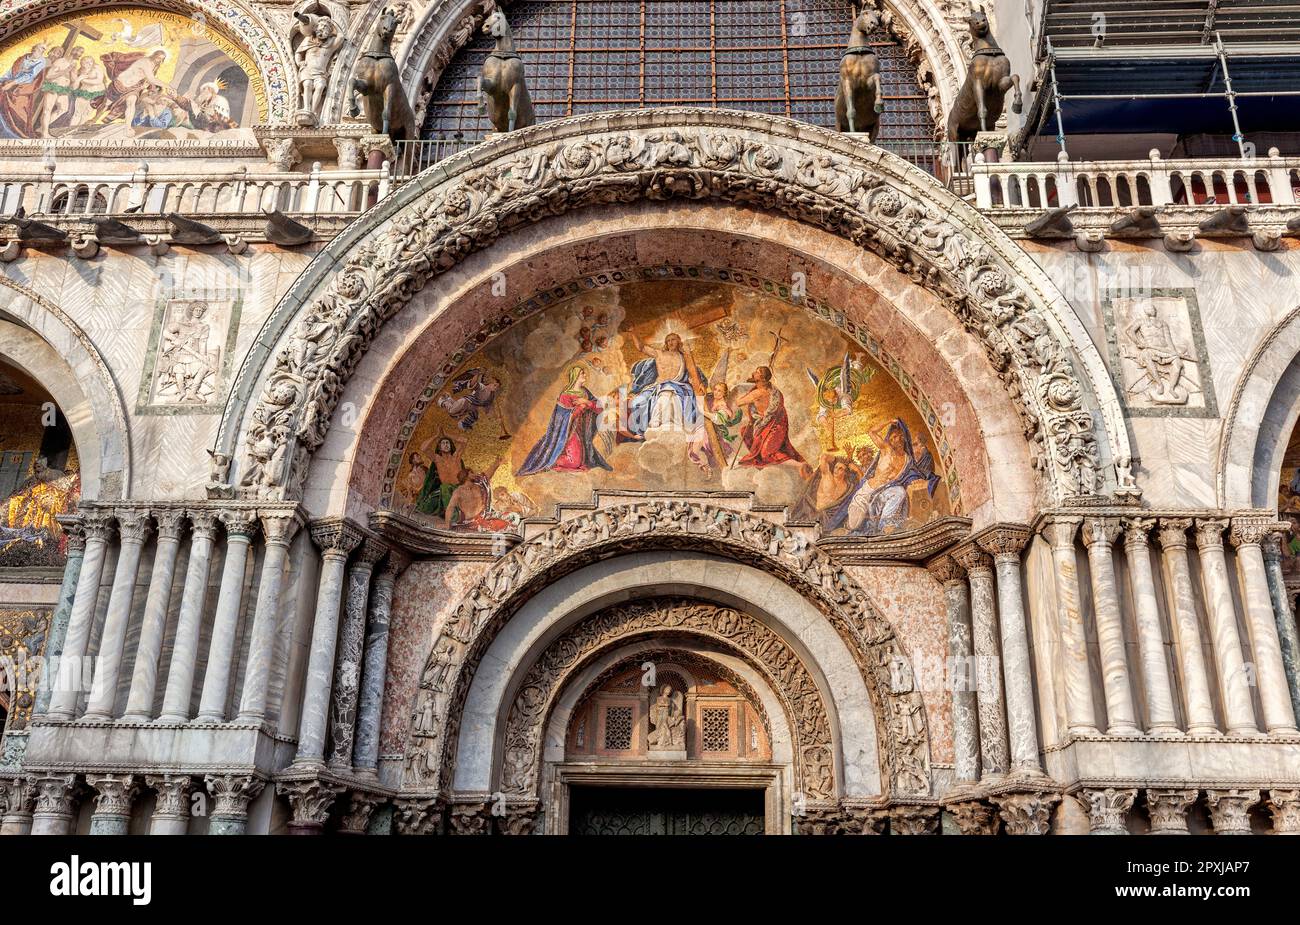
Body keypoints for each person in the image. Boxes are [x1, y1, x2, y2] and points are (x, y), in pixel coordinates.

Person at [828, 418, 939, 536]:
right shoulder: (886, 450)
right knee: (854, 523)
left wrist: (917, 479)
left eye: (900, 436)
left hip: (887, 492)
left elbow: (911, 475)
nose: (898, 439)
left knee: (899, 492)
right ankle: (847, 526)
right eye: (894, 437)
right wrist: (888, 421)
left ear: (905, 438)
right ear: (890, 440)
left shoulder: (908, 459)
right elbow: (871, 432)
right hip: (870, 490)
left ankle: (886, 526)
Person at [517, 365, 612, 475]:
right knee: (574, 463)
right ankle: (550, 461)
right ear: (575, 376)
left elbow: (599, 408)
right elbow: (563, 418)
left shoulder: (585, 392)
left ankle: (555, 457)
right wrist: (581, 407)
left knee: (583, 460)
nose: (585, 375)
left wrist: (586, 402)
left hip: (582, 432)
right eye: (582, 373)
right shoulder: (565, 395)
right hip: (568, 433)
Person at [622, 332, 701, 439]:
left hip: (677, 386)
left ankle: (657, 427)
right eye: (668, 340)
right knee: (637, 402)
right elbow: (641, 347)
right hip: (658, 387)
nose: (670, 342)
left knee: (666, 398)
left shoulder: (684, 356)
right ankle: (641, 432)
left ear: (678, 341)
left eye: (673, 339)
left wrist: (699, 385)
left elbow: (693, 372)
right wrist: (633, 333)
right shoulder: (659, 353)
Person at [734, 366, 804, 468]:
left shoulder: (757, 393)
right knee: (745, 431)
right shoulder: (774, 391)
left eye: (757, 372)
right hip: (775, 426)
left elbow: (738, 402)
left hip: (772, 428)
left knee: (766, 454)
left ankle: (799, 465)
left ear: (762, 378)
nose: (753, 372)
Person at [792, 454, 862, 528]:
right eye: (836, 467)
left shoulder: (848, 487)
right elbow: (823, 457)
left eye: (840, 469)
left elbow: (863, 486)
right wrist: (836, 459)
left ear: (845, 472)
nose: (836, 470)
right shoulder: (826, 476)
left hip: (830, 520)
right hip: (814, 515)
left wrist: (857, 470)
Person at [688, 381, 742, 473]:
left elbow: (719, 419)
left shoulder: (722, 405)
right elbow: (701, 398)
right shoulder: (711, 397)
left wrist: (703, 412)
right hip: (703, 428)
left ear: (724, 393)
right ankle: (704, 467)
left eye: (719, 391)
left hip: (712, 432)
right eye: (715, 389)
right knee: (693, 450)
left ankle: (706, 468)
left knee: (701, 451)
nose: (716, 392)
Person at [414, 433, 467, 517]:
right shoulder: (437, 459)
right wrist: (436, 435)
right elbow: (423, 448)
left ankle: (454, 518)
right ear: (439, 447)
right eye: (443, 443)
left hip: (458, 489)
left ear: (451, 445)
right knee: (425, 507)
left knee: (445, 488)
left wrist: (447, 435)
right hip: (444, 491)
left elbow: (464, 441)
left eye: (447, 443)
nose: (446, 444)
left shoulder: (456, 456)